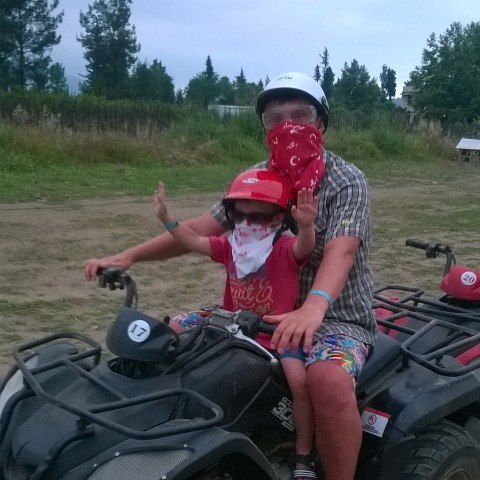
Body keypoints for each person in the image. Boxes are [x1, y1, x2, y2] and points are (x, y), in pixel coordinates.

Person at [83, 71, 377, 480]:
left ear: (321, 123)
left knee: (327, 380)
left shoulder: (346, 181)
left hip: (332, 315)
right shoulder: (256, 178)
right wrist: (129, 255)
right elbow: (201, 230)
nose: (288, 125)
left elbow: (341, 249)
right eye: (275, 118)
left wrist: (313, 307)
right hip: (252, 310)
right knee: (168, 336)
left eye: (300, 115)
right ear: (264, 128)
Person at [154, 171, 320, 480]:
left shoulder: (283, 247)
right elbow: (194, 241)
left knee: (300, 382)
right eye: (239, 215)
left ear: (279, 217)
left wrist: (307, 225)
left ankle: (303, 453)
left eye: (257, 216)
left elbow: (304, 248)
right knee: (175, 329)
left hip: (275, 331)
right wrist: (167, 219)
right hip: (231, 324)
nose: (246, 223)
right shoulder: (233, 246)